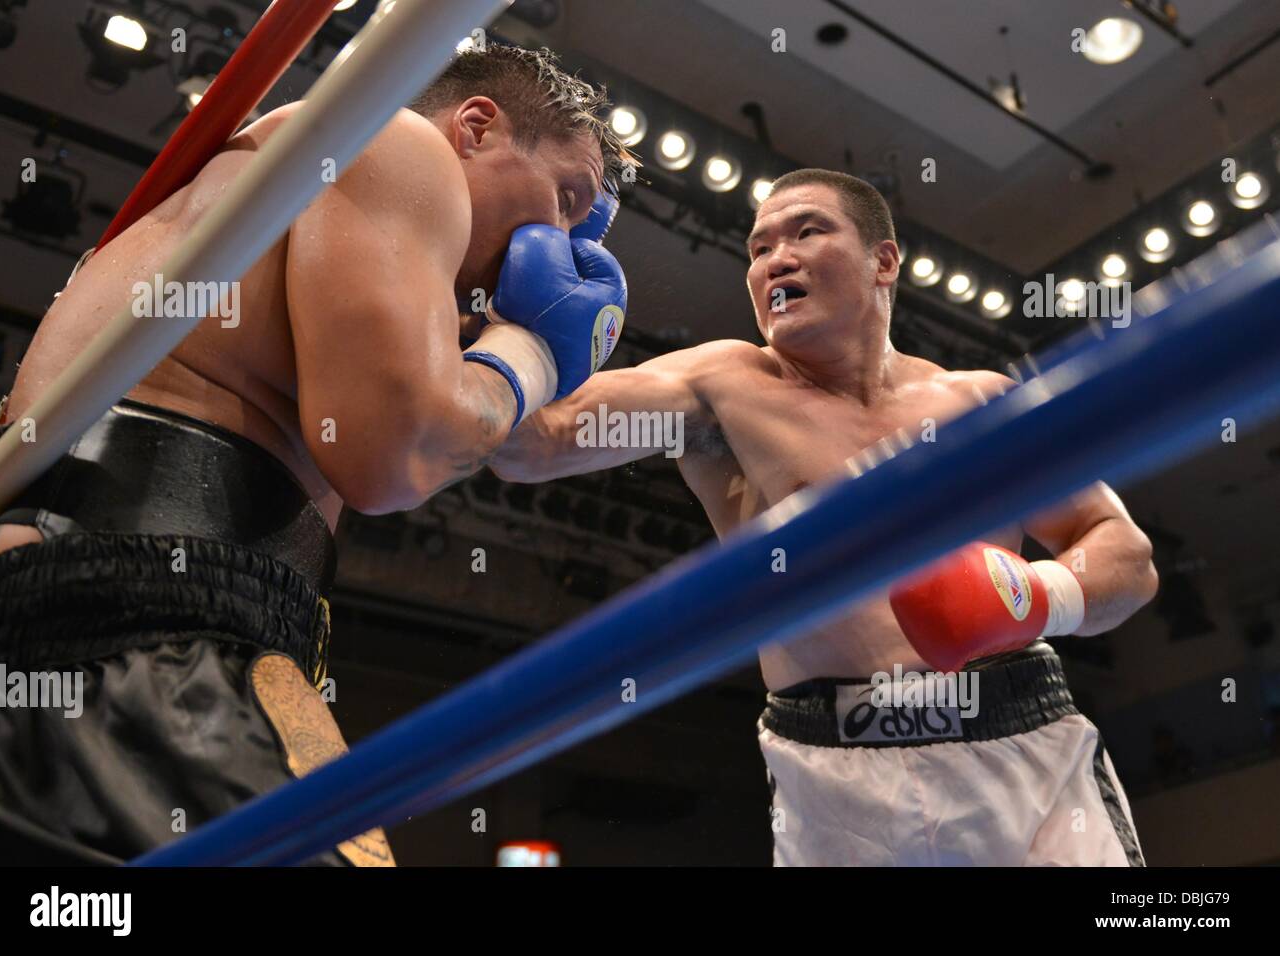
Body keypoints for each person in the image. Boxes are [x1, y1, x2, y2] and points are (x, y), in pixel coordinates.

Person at [0, 44, 632, 866]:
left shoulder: (272, 193)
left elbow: (470, 438)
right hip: (165, 639)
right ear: (476, 127)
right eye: (567, 198)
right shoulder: (400, 145)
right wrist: (530, 353)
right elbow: (391, 458)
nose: (563, 240)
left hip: (49, 626)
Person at [490, 168, 1159, 866]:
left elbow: (1125, 555)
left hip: (1026, 751)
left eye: (806, 231)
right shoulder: (722, 388)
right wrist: (519, 338)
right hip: (839, 785)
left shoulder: (980, 405)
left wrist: (1033, 597)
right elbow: (530, 444)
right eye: (758, 249)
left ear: (884, 261)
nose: (776, 258)